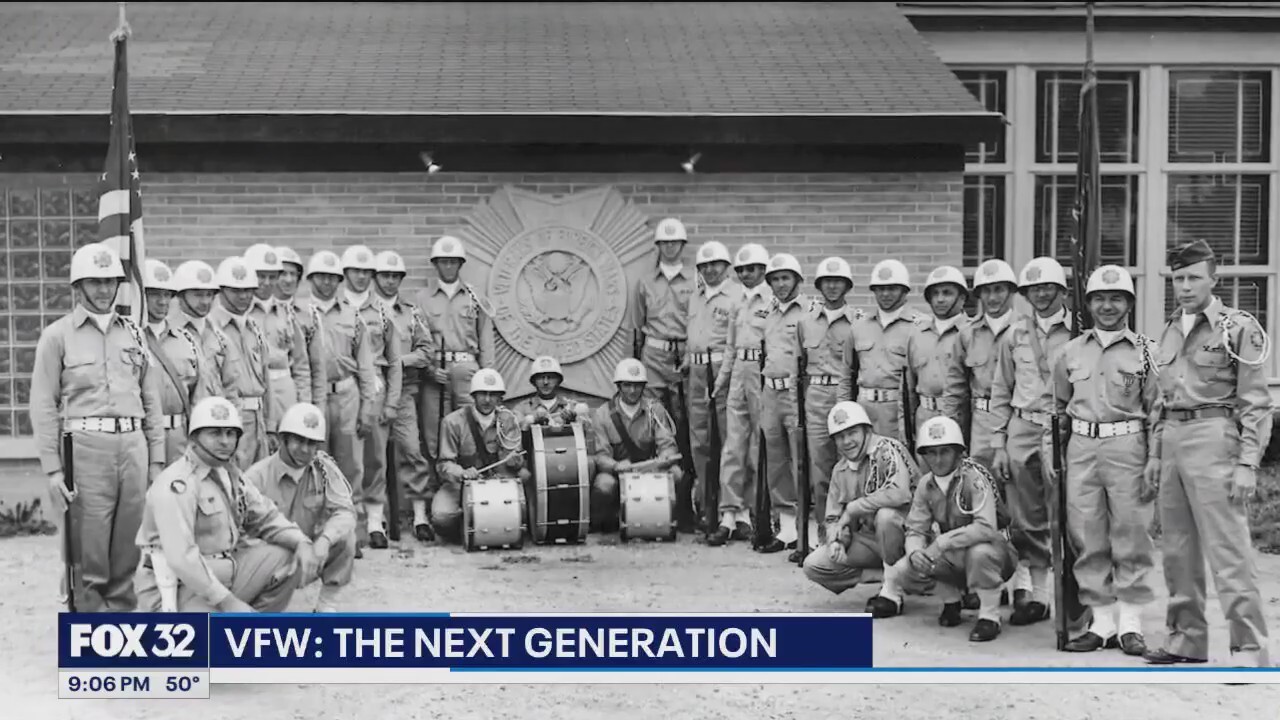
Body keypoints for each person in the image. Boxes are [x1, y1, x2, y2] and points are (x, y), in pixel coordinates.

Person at [1143, 240, 1274, 668]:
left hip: (1215, 436)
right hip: (1173, 439)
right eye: (1178, 278)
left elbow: (1255, 402)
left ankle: (1249, 649)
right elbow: (1160, 402)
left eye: (1194, 278)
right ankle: (1186, 639)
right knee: (1177, 550)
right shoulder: (1168, 330)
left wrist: (1248, 463)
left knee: (1228, 550)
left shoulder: (1238, 328)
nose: (1185, 286)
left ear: (1213, 280)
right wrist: (1156, 456)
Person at [30, 243, 166, 612]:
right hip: (86, 448)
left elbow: (151, 400)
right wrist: (53, 469)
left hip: (133, 445)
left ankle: (119, 621)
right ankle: (89, 623)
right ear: (78, 287)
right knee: (88, 545)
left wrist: (156, 461)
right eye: (95, 282)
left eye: (110, 282)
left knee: (129, 541)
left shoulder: (134, 334)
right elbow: (43, 404)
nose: (105, 290)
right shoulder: (57, 336)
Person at [1050, 265, 1158, 656]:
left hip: (1128, 444)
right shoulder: (1070, 351)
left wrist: (1155, 458)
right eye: (1099, 299)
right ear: (1088, 304)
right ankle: (1102, 622)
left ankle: (1130, 623)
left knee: (1131, 531)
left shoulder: (1146, 351)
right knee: (1086, 532)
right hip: (1081, 446)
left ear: (1129, 303)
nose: (1107, 306)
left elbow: (1157, 410)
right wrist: (1053, 455)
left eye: (1116, 299)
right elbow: (1057, 408)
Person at [134, 397, 318, 613]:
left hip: (223, 570)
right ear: (194, 438)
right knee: (209, 632)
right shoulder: (177, 485)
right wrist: (227, 602)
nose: (225, 441)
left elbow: (266, 517)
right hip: (179, 585)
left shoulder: (229, 474)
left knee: (287, 557)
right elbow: (182, 559)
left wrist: (301, 542)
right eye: (215, 433)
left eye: (230, 434)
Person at [989, 256, 1074, 626]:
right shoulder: (1015, 335)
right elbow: (1001, 389)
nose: (1041, 295)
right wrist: (998, 442)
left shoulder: (1078, 331)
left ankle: (1075, 595)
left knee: (1068, 511)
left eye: (1048, 287)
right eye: (1034, 289)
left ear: (1062, 291)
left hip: (1065, 428)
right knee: (1027, 515)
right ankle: (1038, 594)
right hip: (1024, 427)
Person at [889, 416, 1017, 642]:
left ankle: (989, 615)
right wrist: (915, 552)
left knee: (979, 553)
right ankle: (951, 600)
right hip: (954, 554)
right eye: (931, 453)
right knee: (903, 570)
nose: (938, 459)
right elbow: (915, 529)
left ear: (959, 453)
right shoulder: (926, 484)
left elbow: (986, 528)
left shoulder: (974, 479)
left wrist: (942, 542)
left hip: (993, 552)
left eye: (945, 452)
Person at [296, 249, 378, 557]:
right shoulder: (300, 313)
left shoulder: (352, 315)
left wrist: (368, 406)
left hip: (346, 394)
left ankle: (351, 535)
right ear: (311, 279)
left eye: (333, 278)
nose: (328, 283)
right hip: (313, 397)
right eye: (321, 277)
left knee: (350, 465)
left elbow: (366, 365)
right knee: (314, 464)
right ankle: (315, 533)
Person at [802, 401, 917, 616]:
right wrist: (837, 540)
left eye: (852, 433)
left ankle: (892, 593)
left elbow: (900, 494)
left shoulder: (887, 449)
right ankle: (892, 577)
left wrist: (855, 508)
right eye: (840, 436)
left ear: (867, 430)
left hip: (909, 536)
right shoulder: (840, 470)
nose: (847, 441)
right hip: (871, 540)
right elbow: (833, 518)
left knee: (886, 516)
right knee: (814, 564)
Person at [958, 258, 1027, 605]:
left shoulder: (1026, 330)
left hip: (1019, 421)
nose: (994, 297)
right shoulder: (968, 333)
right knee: (983, 501)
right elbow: (959, 388)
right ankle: (987, 579)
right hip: (980, 421)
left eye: (1000, 290)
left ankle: (1023, 580)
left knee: (1020, 503)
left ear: (1011, 292)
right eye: (986, 291)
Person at [244, 402, 357, 613]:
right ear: (283, 439)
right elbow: (241, 537)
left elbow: (345, 512)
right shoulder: (256, 477)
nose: (305, 449)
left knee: (345, 538)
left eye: (311, 443)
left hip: (310, 555)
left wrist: (325, 540)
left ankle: (325, 608)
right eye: (298, 440)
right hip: (271, 559)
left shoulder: (324, 470)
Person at [417, 235, 496, 508]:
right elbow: (417, 339)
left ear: (461, 264)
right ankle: (440, 496)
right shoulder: (422, 299)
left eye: (453, 262)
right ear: (435, 264)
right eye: (443, 262)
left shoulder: (474, 297)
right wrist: (428, 369)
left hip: (468, 372)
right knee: (433, 434)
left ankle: (474, 493)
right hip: (435, 373)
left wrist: (487, 379)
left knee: (470, 430)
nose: (448, 266)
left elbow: (486, 339)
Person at [626, 218, 696, 530]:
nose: (669, 247)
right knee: (653, 421)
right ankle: (652, 498)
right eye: (664, 243)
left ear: (682, 245)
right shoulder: (644, 283)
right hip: (653, 355)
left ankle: (687, 501)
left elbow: (700, 322)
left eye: (674, 242)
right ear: (658, 246)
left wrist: (690, 354)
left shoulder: (695, 280)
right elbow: (637, 326)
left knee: (687, 425)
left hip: (685, 358)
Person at [341, 244, 404, 550]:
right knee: (345, 457)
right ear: (345, 273)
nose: (361, 277)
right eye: (356, 271)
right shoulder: (334, 307)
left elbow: (395, 361)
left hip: (375, 387)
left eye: (367, 272)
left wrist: (392, 402)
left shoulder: (381, 311)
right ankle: (348, 521)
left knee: (375, 457)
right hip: (344, 386)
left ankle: (376, 521)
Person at [373, 249, 439, 542]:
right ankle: (376, 519)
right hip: (374, 391)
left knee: (412, 451)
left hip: (404, 393)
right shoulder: (364, 311)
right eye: (385, 276)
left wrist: (400, 361)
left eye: (395, 276)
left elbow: (427, 351)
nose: (390, 281)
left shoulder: (411, 314)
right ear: (376, 278)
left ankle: (420, 516)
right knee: (373, 456)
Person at [709, 243, 771, 546]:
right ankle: (729, 514)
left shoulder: (772, 301)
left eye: (752, 269)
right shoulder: (737, 301)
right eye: (741, 270)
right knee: (733, 446)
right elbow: (731, 347)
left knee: (758, 446)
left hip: (761, 373)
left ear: (763, 270)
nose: (746, 274)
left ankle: (752, 513)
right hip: (738, 374)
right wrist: (722, 380)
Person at [796, 257, 860, 547]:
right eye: (827, 282)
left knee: (850, 467)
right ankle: (825, 535)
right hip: (816, 399)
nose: (832, 287)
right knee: (820, 471)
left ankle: (852, 533)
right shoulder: (805, 322)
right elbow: (799, 368)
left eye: (838, 282)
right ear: (819, 286)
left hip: (845, 398)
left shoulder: (858, 322)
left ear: (847, 286)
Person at [756, 253, 815, 556]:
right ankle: (788, 525)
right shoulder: (768, 313)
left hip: (795, 393)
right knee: (776, 459)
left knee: (801, 458)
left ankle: (809, 528)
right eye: (775, 279)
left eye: (785, 278)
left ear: (797, 280)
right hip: (770, 391)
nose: (780, 284)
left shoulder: (809, 312)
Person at [684, 241, 744, 531]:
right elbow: (694, 334)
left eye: (715, 264)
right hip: (696, 372)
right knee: (700, 440)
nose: (709, 270)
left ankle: (731, 509)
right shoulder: (695, 297)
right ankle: (706, 505)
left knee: (728, 439)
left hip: (722, 370)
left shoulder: (737, 295)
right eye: (704, 266)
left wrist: (725, 376)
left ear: (726, 266)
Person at [589, 359, 683, 533]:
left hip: (650, 470)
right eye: (627, 385)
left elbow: (667, 443)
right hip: (618, 472)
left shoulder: (655, 410)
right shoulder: (602, 414)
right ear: (618, 386)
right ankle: (607, 523)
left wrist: (665, 456)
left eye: (637, 385)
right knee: (604, 485)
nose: (632, 391)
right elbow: (601, 456)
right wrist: (616, 466)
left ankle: (670, 519)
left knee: (676, 474)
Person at [431, 368, 524, 543]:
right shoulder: (453, 422)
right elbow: (444, 464)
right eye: (482, 394)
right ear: (473, 395)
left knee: (526, 484)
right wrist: (462, 473)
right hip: (462, 485)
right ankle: (468, 525)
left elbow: (516, 459)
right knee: (442, 517)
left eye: (493, 394)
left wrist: (515, 461)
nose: (487, 400)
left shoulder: (508, 420)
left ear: (500, 397)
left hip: (498, 481)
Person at [141, 258, 217, 465]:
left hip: (181, 438)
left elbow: (200, 396)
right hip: (143, 436)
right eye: (155, 294)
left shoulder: (187, 341)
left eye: (167, 295)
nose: (162, 301)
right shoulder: (131, 339)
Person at [208, 255, 276, 469]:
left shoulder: (253, 327)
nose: (244, 296)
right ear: (221, 290)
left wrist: (271, 425)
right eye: (236, 291)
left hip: (258, 419)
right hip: (232, 420)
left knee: (259, 480)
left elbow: (266, 380)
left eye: (248, 290)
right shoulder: (210, 329)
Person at [244, 243, 316, 439]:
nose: (267, 283)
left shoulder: (287, 314)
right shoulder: (242, 315)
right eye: (261, 276)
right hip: (254, 396)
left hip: (286, 394)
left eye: (272, 277)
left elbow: (301, 365)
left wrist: (304, 404)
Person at [851, 259, 922, 444]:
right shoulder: (859, 326)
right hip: (864, 409)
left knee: (896, 457)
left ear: (905, 291)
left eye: (892, 289)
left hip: (897, 411)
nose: (885, 294)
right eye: (880, 289)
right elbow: (848, 374)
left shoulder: (919, 326)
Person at [906, 265, 971, 437]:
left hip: (960, 419)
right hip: (924, 418)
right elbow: (908, 387)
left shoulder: (972, 333)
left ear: (962, 297)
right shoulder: (917, 334)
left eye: (947, 293)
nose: (940, 299)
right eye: (935, 294)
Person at [274, 245, 329, 409]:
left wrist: (318, 406)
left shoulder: (309, 314)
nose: (289, 279)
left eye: (293, 274)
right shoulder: (258, 314)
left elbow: (317, 367)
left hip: (302, 397)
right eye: (283, 274)